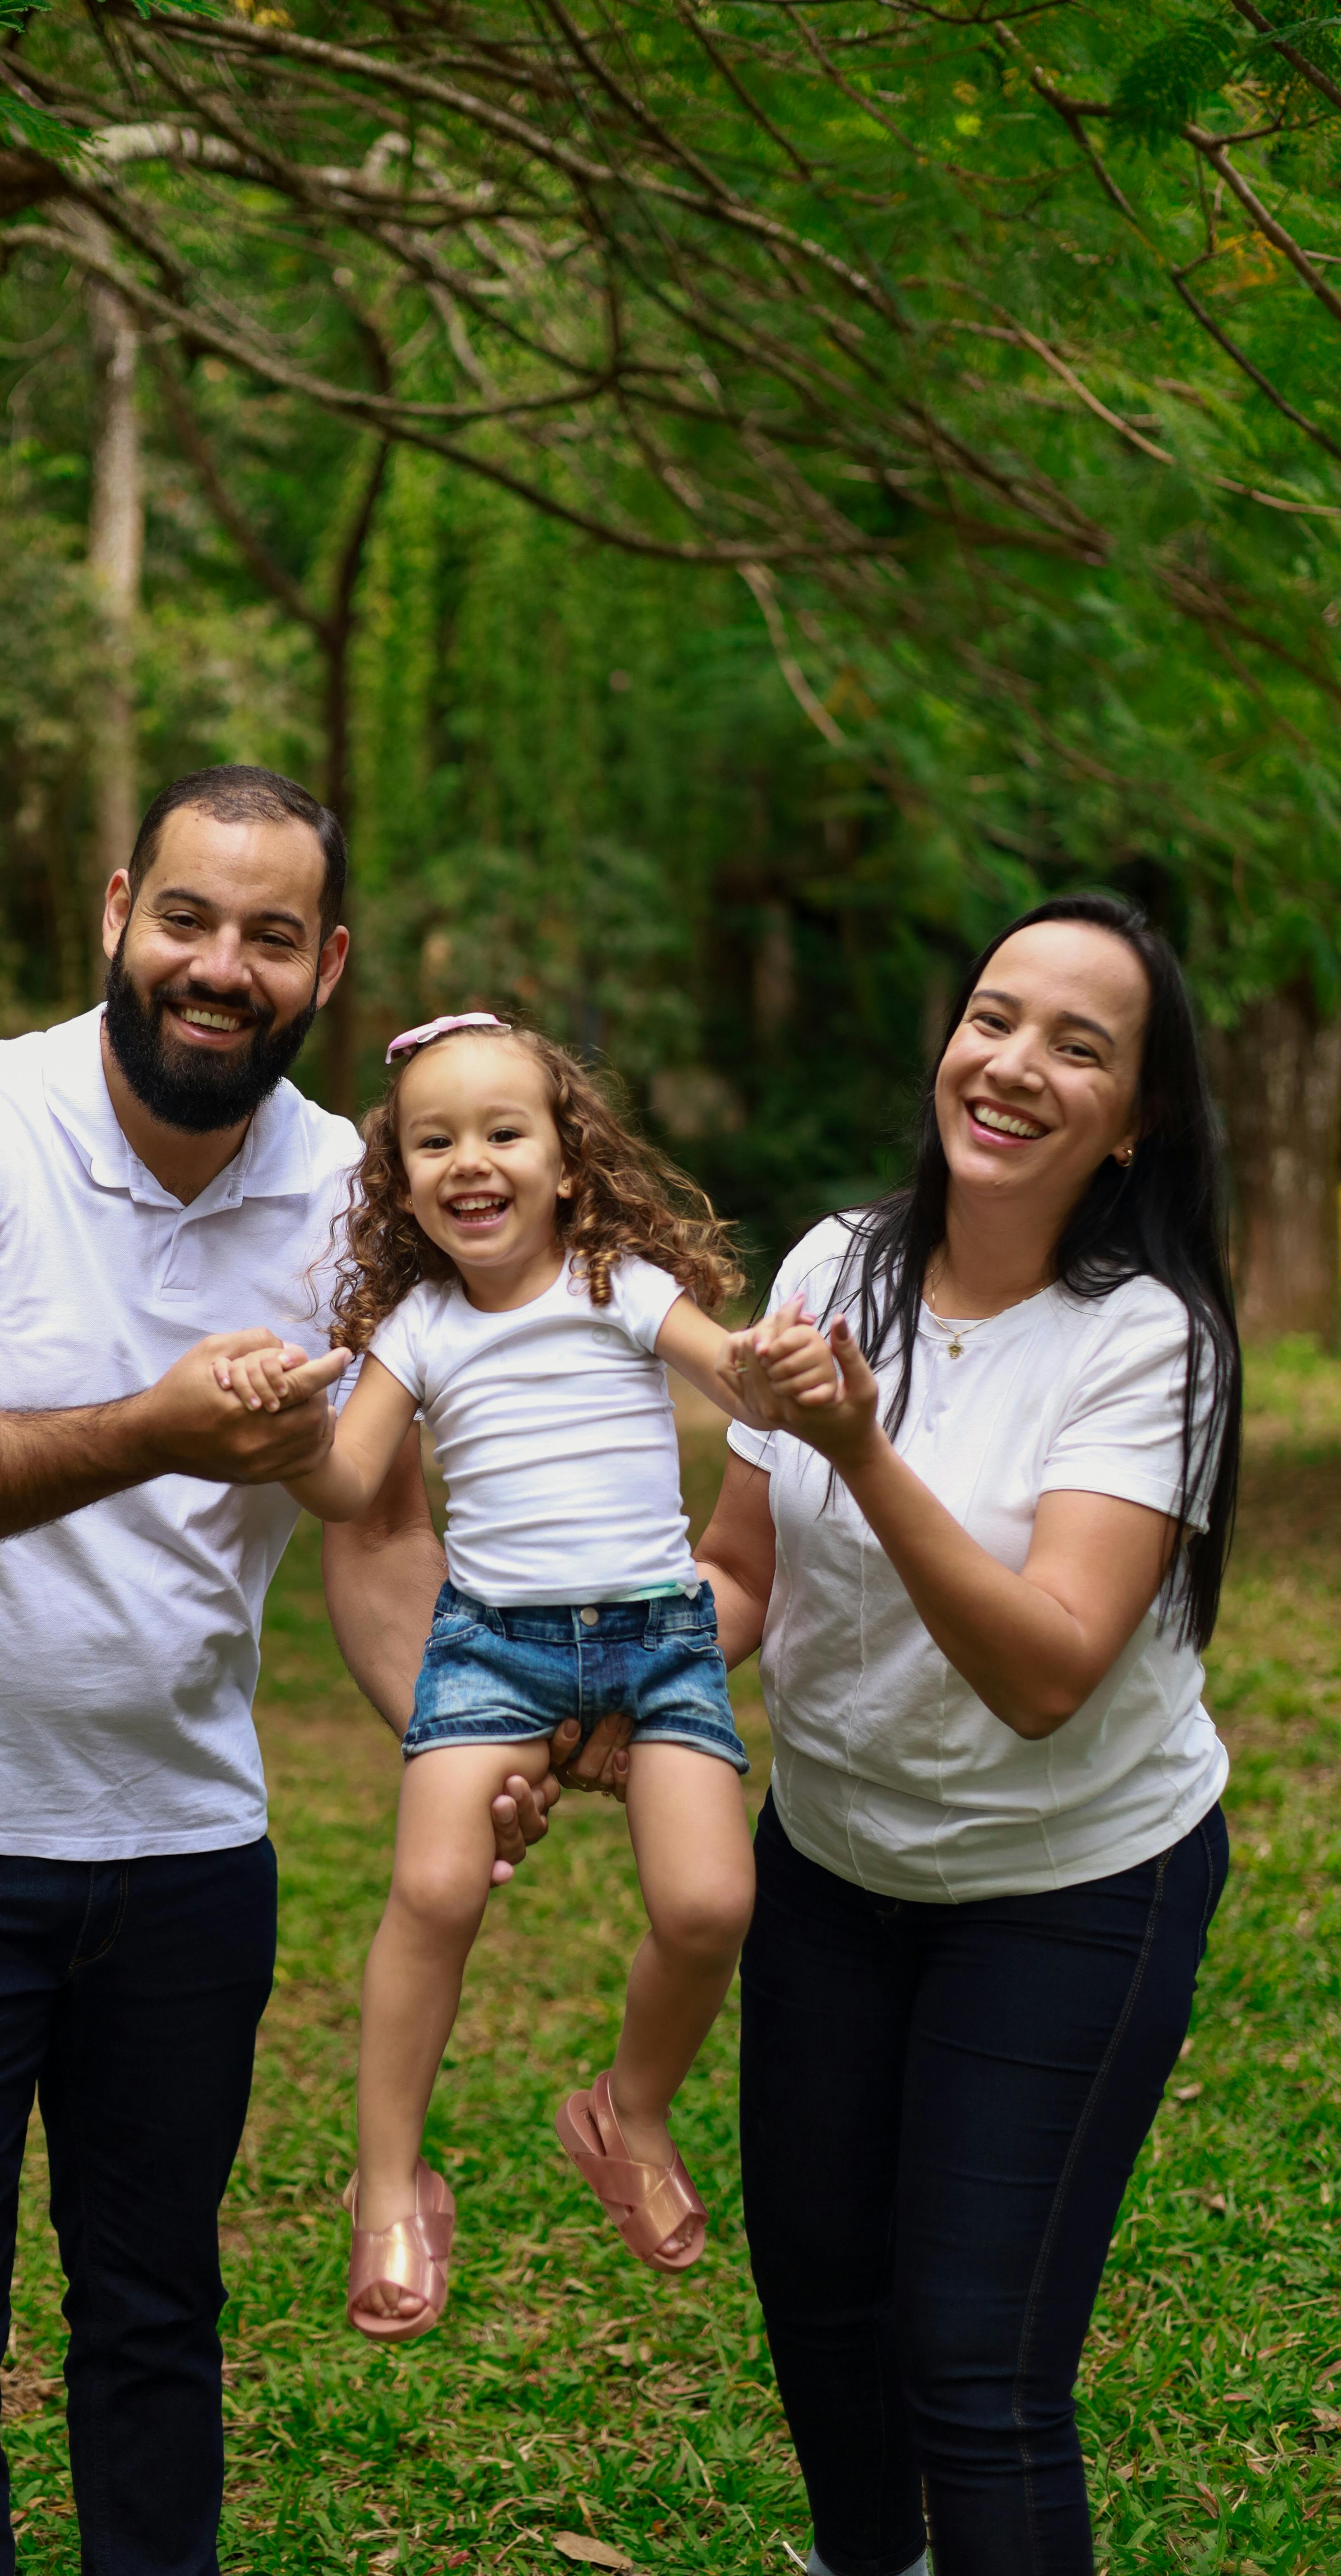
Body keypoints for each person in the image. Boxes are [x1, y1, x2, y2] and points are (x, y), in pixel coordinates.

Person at [0, 768, 544, 2576]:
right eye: (188, 919)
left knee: (152, 2325)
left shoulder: (359, 1200)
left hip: (185, 1854)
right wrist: (150, 1430)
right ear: (120, 911)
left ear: (327, 967)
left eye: (270, 938)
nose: (220, 966)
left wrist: (469, 1736)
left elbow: (372, 1537)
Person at [697, 895, 1240, 2576]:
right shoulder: (827, 1267)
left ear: (1132, 1119)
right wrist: (585, 1690)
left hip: (1072, 1889)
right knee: (820, 2304)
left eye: (1077, 1045)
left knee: (975, 2367)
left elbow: (1047, 1671)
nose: (1011, 1065)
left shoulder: (1149, 1342)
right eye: (992, 1018)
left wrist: (863, 1449)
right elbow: (734, 1570)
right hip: (834, 1866)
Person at [213, 1015, 769, 2341]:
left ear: (568, 1163)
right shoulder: (414, 1328)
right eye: (434, 1139)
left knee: (709, 1906)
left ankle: (627, 2111)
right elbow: (352, 1488)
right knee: (434, 1886)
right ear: (400, 1179)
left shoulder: (620, 1285)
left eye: (504, 1132)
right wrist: (289, 1433)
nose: (471, 1158)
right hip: (492, 1649)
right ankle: (391, 2181)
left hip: (659, 1641)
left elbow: (732, 1379)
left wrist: (780, 1373)